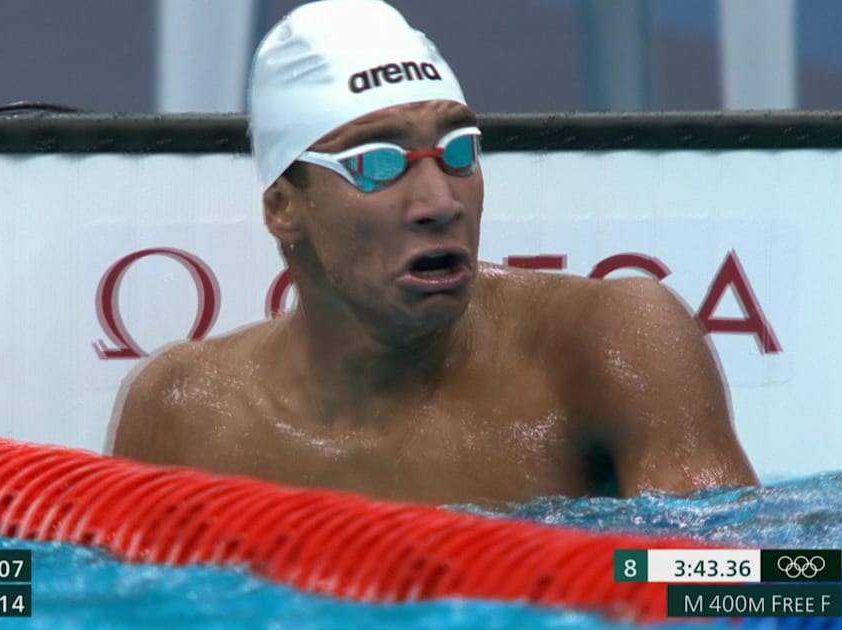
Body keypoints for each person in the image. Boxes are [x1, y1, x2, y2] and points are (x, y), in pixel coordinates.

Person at [111, 0, 758, 505]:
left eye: (457, 151)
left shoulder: (611, 343)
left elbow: (766, 589)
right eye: (377, 163)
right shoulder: (184, 414)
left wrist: (569, 576)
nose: (438, 201)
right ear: (284, 207)